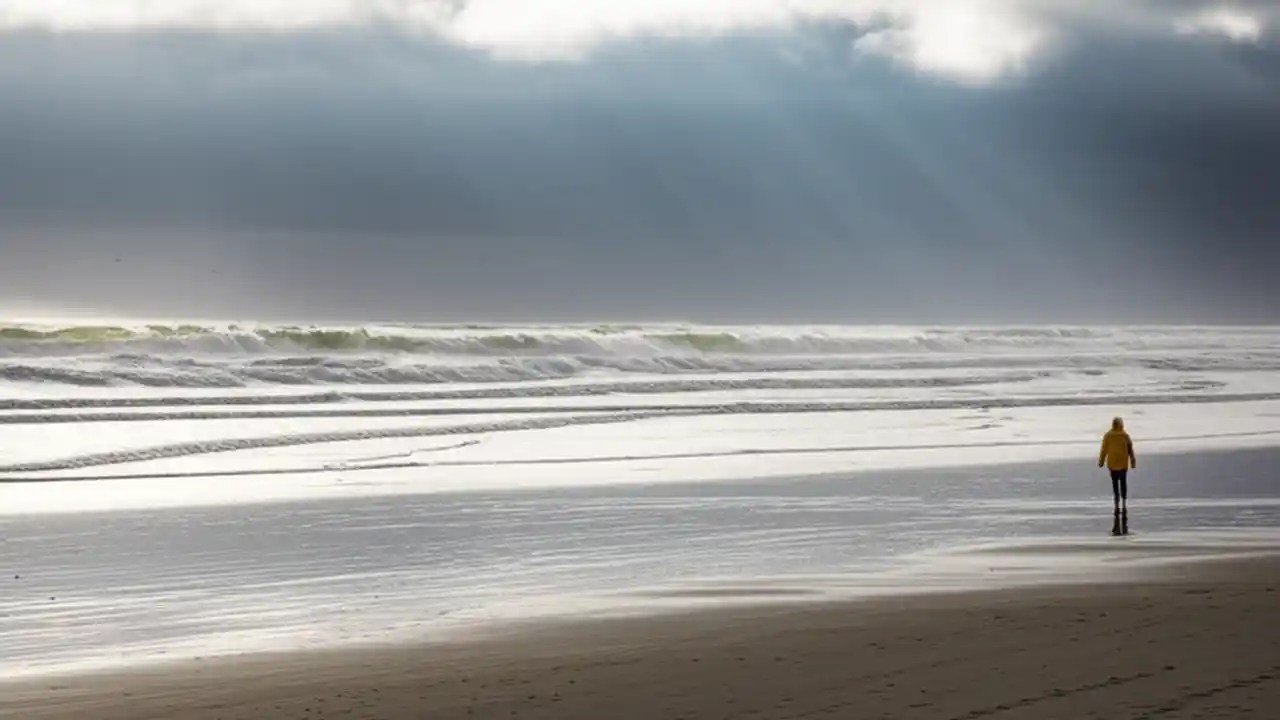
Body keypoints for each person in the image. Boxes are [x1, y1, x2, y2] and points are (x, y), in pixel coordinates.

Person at [1098, 417, 1136, 534]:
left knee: (1115, 484)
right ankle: (1123, 502)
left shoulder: (1108, 436)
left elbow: (1104, 449)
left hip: (1113, 464)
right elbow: (1130, 450)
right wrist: (1133, 461)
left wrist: (1101, 461)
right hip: (1123, 463)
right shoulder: (1125, 436)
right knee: (1123, 483)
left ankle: (1116, 502)